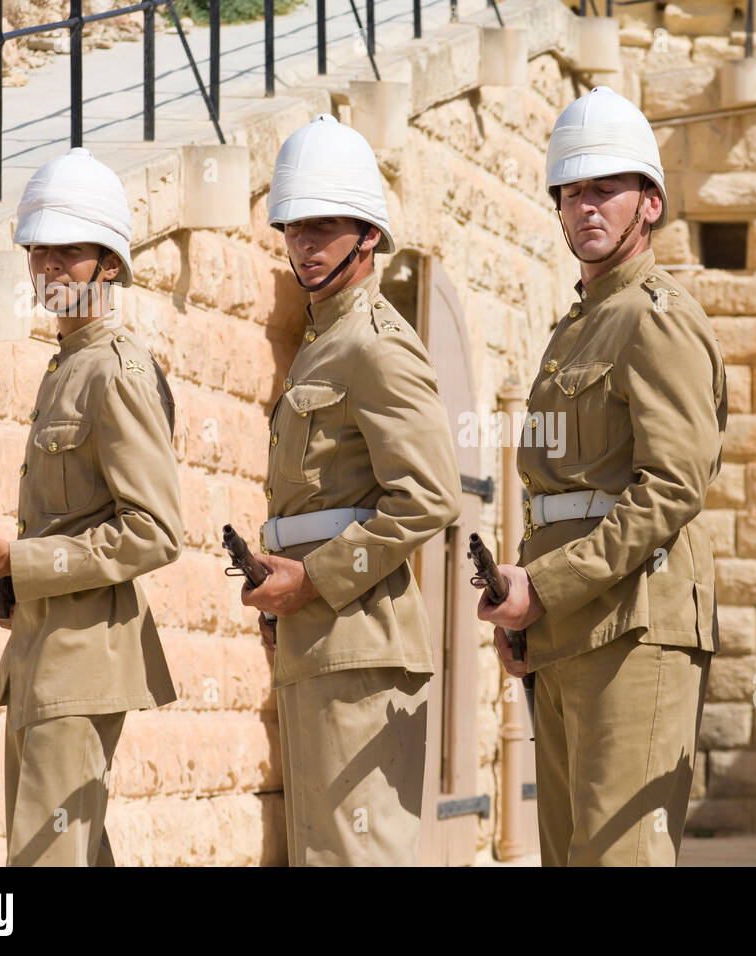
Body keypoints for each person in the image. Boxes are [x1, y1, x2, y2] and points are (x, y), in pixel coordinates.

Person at [474, 87, 728, 866]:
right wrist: (531, 612)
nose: (586, 207)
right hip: (568, 626)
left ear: (649, 203)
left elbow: (674, 486)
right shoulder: (575, 328)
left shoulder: (657, 316)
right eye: (572, 192)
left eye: (606, 190)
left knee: (622, 858)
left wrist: (546, 589)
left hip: (638, 624)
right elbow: (557, 498)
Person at [0, 147, 181, 866]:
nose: (48, 266)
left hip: (82, 665)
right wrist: (14, 581)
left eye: (69, 252)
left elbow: (155, 531)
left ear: (109, 263)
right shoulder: (68, 367)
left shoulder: (116, 371)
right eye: (38, 250)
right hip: (44, 652)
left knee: (43, 860)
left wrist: (22, 559)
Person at [240, 114, 462, 866]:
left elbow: (430, 495)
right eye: (294, 228)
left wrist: (315, 579)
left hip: (360, 643)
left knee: (357, 857)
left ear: (368, 234)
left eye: (324, 227)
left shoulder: (374, 342)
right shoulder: (321, 344)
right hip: (316, 635)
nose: (305, 243)